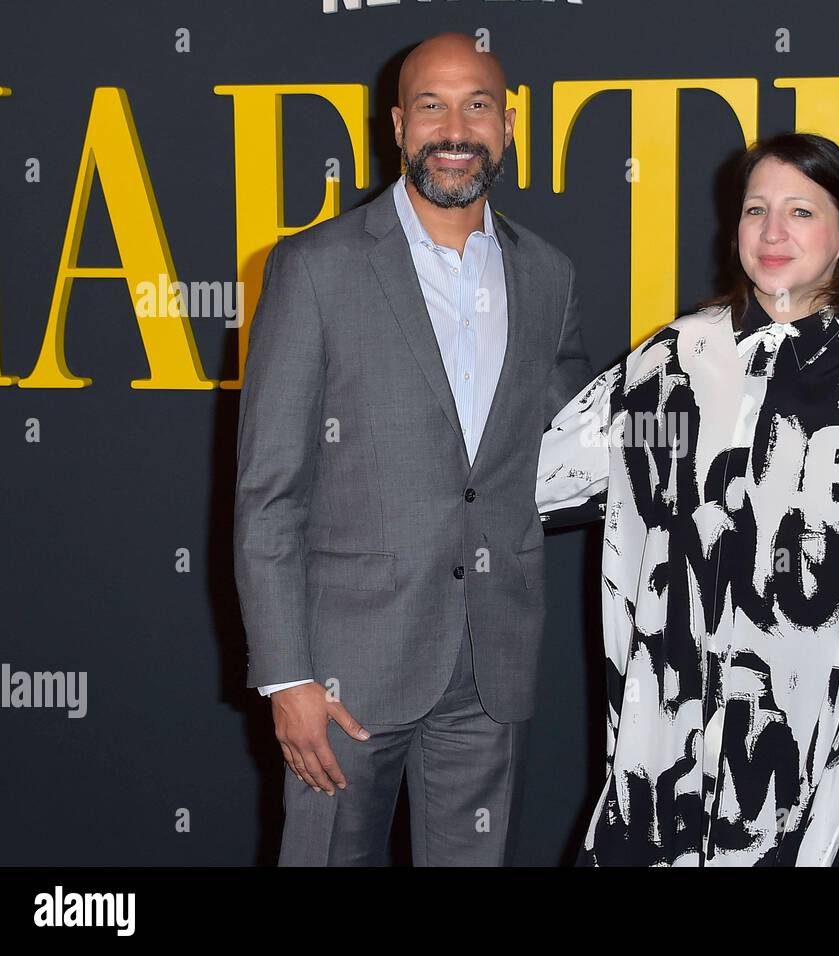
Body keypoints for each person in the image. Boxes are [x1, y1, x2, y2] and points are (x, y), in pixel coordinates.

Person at [536, 132, 839, 865]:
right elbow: (535, 479)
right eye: (756, 210)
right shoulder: (674, 358)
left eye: (801, 211)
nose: (773, 231)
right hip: (681, 737)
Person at [234, 32, 593, 865]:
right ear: (397, 125)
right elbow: (268, 492)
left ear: (508, 127)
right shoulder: (314, 268)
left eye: (477, 106)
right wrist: (286, 678)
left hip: (490, 668)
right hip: (343, 673)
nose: (454, 127)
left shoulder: (548, 276)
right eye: (431, 105)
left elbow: (572, 445)